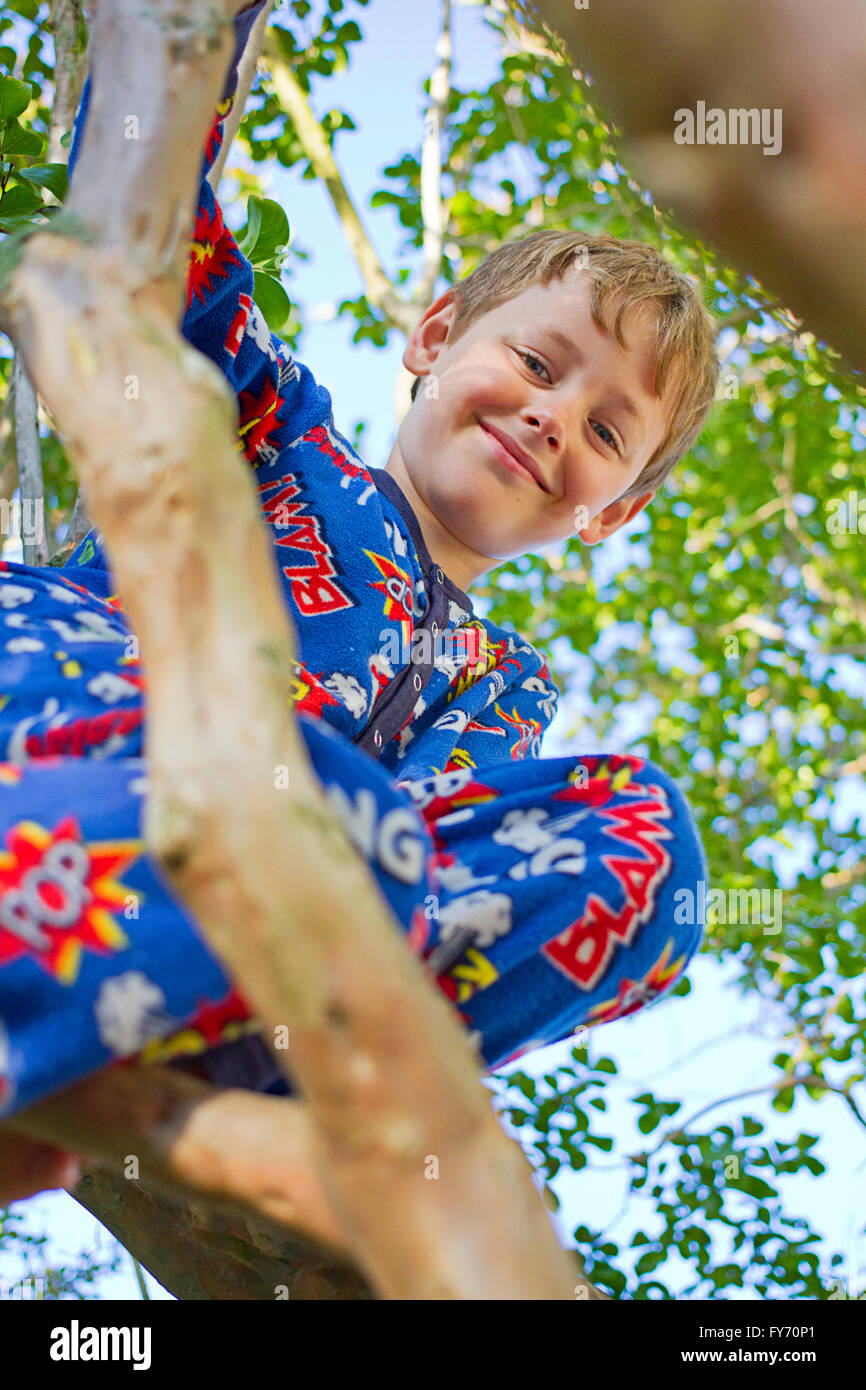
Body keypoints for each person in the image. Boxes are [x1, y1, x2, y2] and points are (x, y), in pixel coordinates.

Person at [0, 1, 716, 1193]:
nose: (550, 416)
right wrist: (203, 33)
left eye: (604, 430)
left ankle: (222, 1062)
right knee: (306, 784)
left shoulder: (503, 689)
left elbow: (422, 872)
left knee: (644, 846)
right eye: (536, 364)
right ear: (433, 335)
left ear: (611, 510)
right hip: (77, 749)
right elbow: (160, 229)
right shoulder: (281, 431)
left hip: (268, 918)